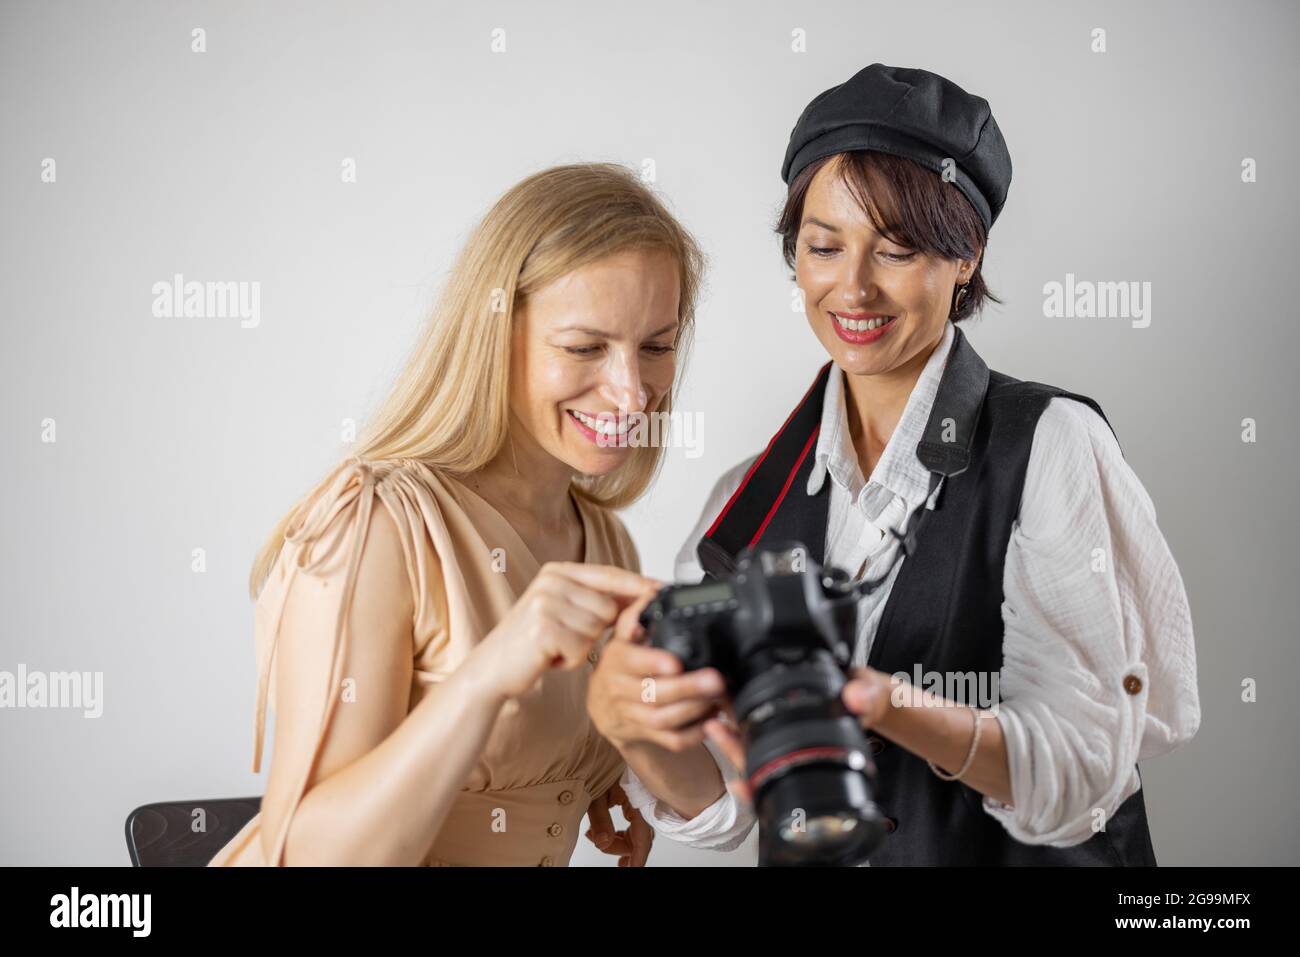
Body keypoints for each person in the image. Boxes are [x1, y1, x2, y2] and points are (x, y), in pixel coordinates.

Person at [587, 64, 1201, 865]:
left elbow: (1085, 770)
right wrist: (636, 721)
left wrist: (883, 704)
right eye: (823, 246)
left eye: (899, 250)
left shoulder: (1049, 445)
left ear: (967, 256)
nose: (854, 287)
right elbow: (724, 805)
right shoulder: (744, 500)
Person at [209, 162, 705, 866]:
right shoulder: (377, 524)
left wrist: (593, 779)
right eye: (584, 347)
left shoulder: (606, 541)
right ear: (494, 334)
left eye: (656, 346)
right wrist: (487, 672)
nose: (632, 393)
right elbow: (309, 857)